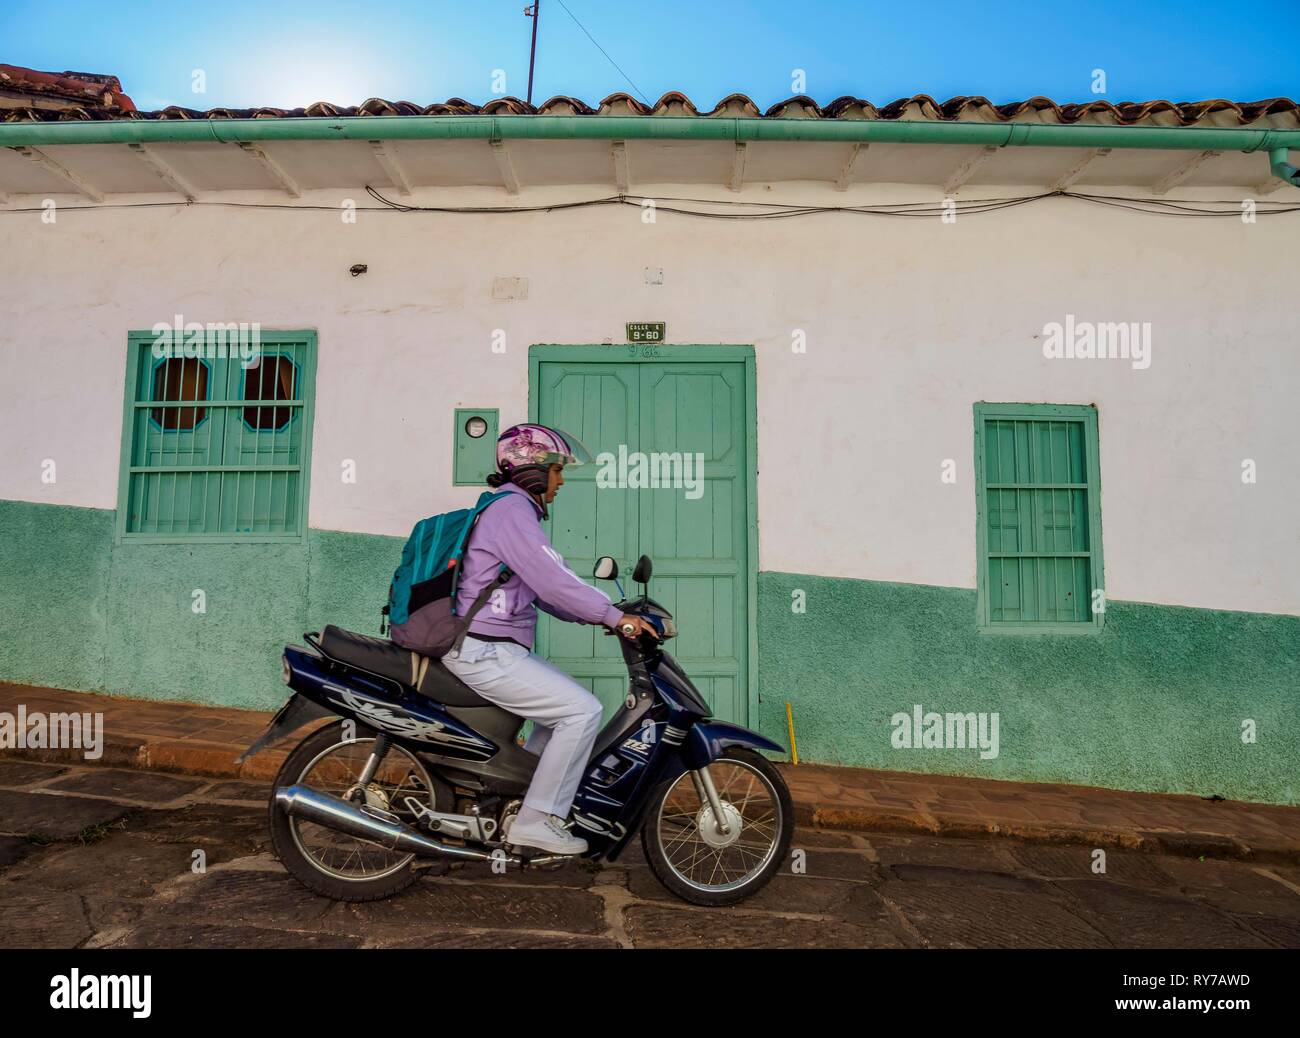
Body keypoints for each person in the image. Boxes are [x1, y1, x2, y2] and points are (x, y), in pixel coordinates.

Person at [441, 423, 658, 855]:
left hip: (491, 647)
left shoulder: (508, 510)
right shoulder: (511, 512)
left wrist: (601, 617)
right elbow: (554, 582)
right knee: (581, 712)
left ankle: (519, 802)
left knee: (559, 712)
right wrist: (615, 618)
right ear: (533, 470)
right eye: (557, 471)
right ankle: (537, 820)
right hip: (482, 650)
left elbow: (542, 592)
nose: (560, 481)